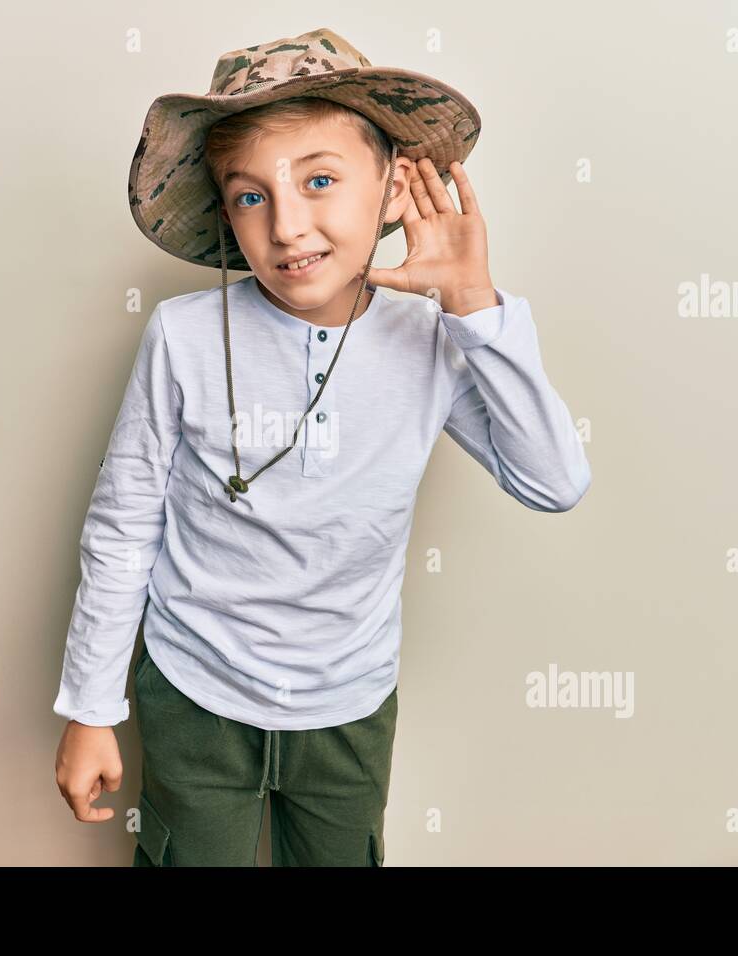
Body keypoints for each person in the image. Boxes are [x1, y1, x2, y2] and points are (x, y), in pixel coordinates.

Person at [53, 27, 591, 866]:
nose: (288, 224)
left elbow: (553, 481)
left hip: (347, 702)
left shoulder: (434, 335)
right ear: (226, 214)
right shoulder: (183, 335)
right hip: (195, 692)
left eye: (322, 180)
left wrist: (475, 305)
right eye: (252, 196)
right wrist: (91, 707)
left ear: (392, 189)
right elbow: (124, 526)